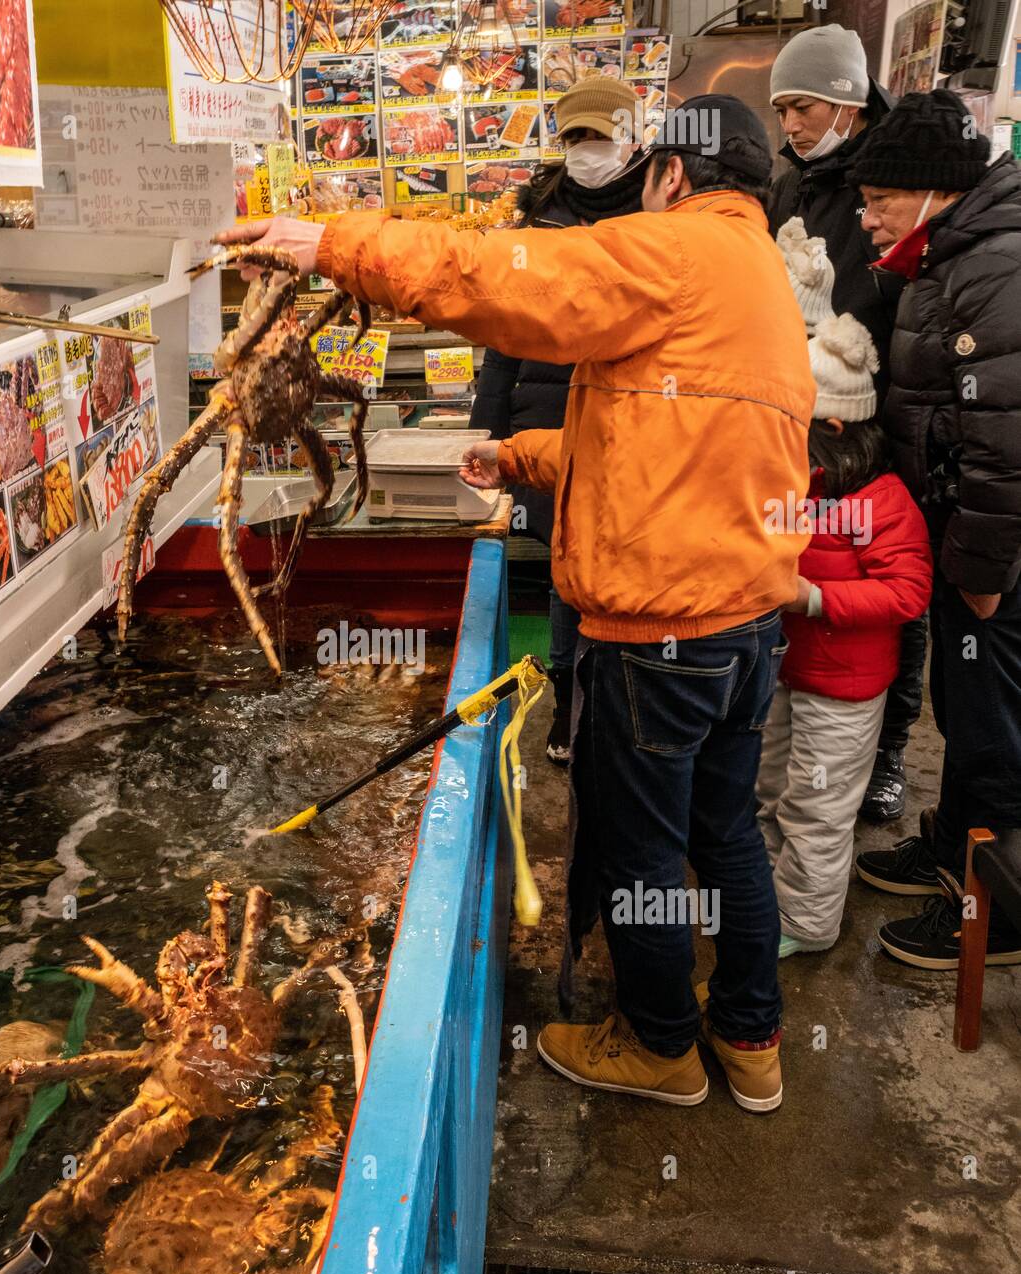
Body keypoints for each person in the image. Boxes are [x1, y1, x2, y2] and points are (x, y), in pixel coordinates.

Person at [218, 94, 814, 1112]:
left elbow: (503, 278)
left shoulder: (677, 252)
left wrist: (338, 242)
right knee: (726, 836)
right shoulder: (759, 276)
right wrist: (520, 454)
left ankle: (659, 1041)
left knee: (638, 848)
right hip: (743, 623)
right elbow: (673, 453)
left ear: (670, 175)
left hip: (657, 633)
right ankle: (749, 1038)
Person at [846, 89, 1021, 970]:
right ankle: (956, 850)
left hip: (994, 551)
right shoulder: (949, 254)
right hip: (957, 536)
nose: (867, 218)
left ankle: (1001, 913)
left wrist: (984, 570)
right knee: (964, 712)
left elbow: (1008, 443)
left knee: (994, 724)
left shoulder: (996, 266)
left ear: (932, 190)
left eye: (878, 200)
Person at [767, 23, 925, 825]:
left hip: (876, 410)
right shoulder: (790, 182)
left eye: (800, 107)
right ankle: (799, 712)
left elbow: (909, 301)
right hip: (802, 402)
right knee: (809, 552)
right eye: (783, 111)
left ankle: (890, 747)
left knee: (886, 571)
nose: (790, 125)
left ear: (845, 102)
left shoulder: (895, 172)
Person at [468, 75, 645, 765]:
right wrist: (490, 425)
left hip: (628, 420)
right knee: (566, 568)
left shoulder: (658, 215)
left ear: (631, 138)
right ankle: (569, 708)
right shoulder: (537, 217)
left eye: (598, 137)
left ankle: (610, 703)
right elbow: (504, 335)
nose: (584, 151)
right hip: (544, 417)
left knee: (613, 568)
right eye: (574, 137)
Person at [756, 300, 931, 958]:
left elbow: (909, 592)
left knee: (818, 809)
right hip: (785, 672)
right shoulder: (803, 487)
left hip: (844, 691)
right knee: (771, 789)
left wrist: (817, 599)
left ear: (832, 425)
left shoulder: (879, 502)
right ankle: (769, 897)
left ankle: (807, 921)